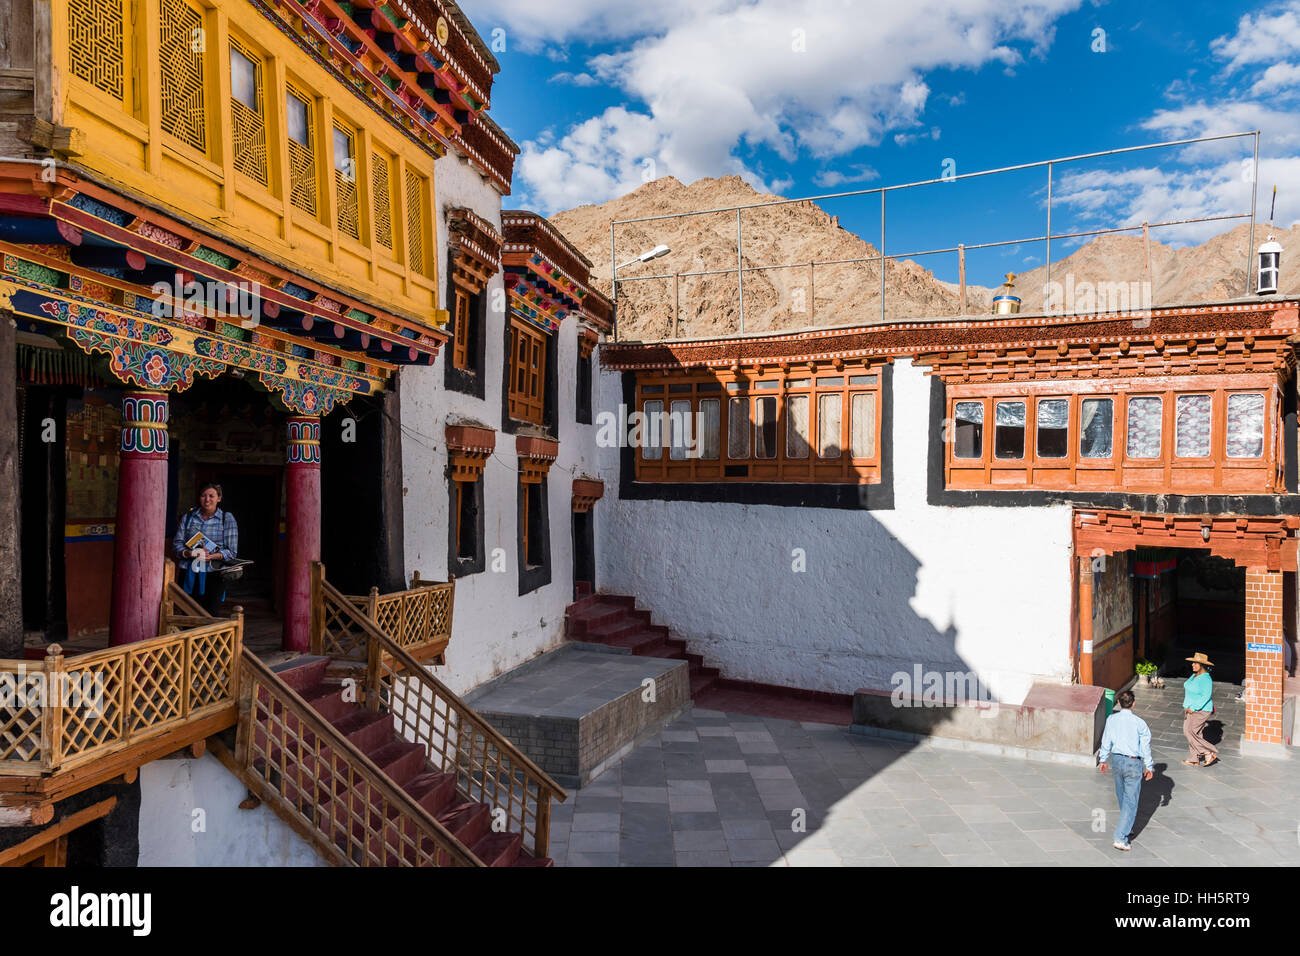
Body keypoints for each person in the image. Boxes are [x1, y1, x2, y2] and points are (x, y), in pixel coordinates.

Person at [1097, 689, 1154, 852]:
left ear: (1119, 703)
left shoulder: (1111, 719)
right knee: (1130, 800)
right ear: (1133, 704)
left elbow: (1106, 739)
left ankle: (1127, 826)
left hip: (1116, 760)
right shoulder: (1139, 723)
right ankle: (1120, 837)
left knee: (1122, 795)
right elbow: (1145, 746)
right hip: (1132, 762)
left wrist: (1103, 759)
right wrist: (1149, 766)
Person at [172, 482, 238, 616]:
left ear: (219, 498)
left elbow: (232, 552)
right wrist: (189, 553)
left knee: (210, 614)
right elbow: (177, 544)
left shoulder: (227, 519)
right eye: (203, 495)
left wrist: (211, 556)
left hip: (214, 574)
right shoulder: (189, 517)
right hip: (189, 573)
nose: (207, 499)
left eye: (211, 496)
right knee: (187, 613)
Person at [1181, 651, 1218, 767]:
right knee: (1192, 732)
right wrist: (1187, 706)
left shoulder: (1206, 679)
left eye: (1195, 663)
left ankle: (1209, 752)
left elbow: (1205, 696)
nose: (1193, 665)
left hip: (1201, 710)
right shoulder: (1195, 675)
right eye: (1193, 663)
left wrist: (1194, 707)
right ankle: (1194, 758)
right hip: (1190, 709)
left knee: (1190, 732)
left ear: (1202, 665)